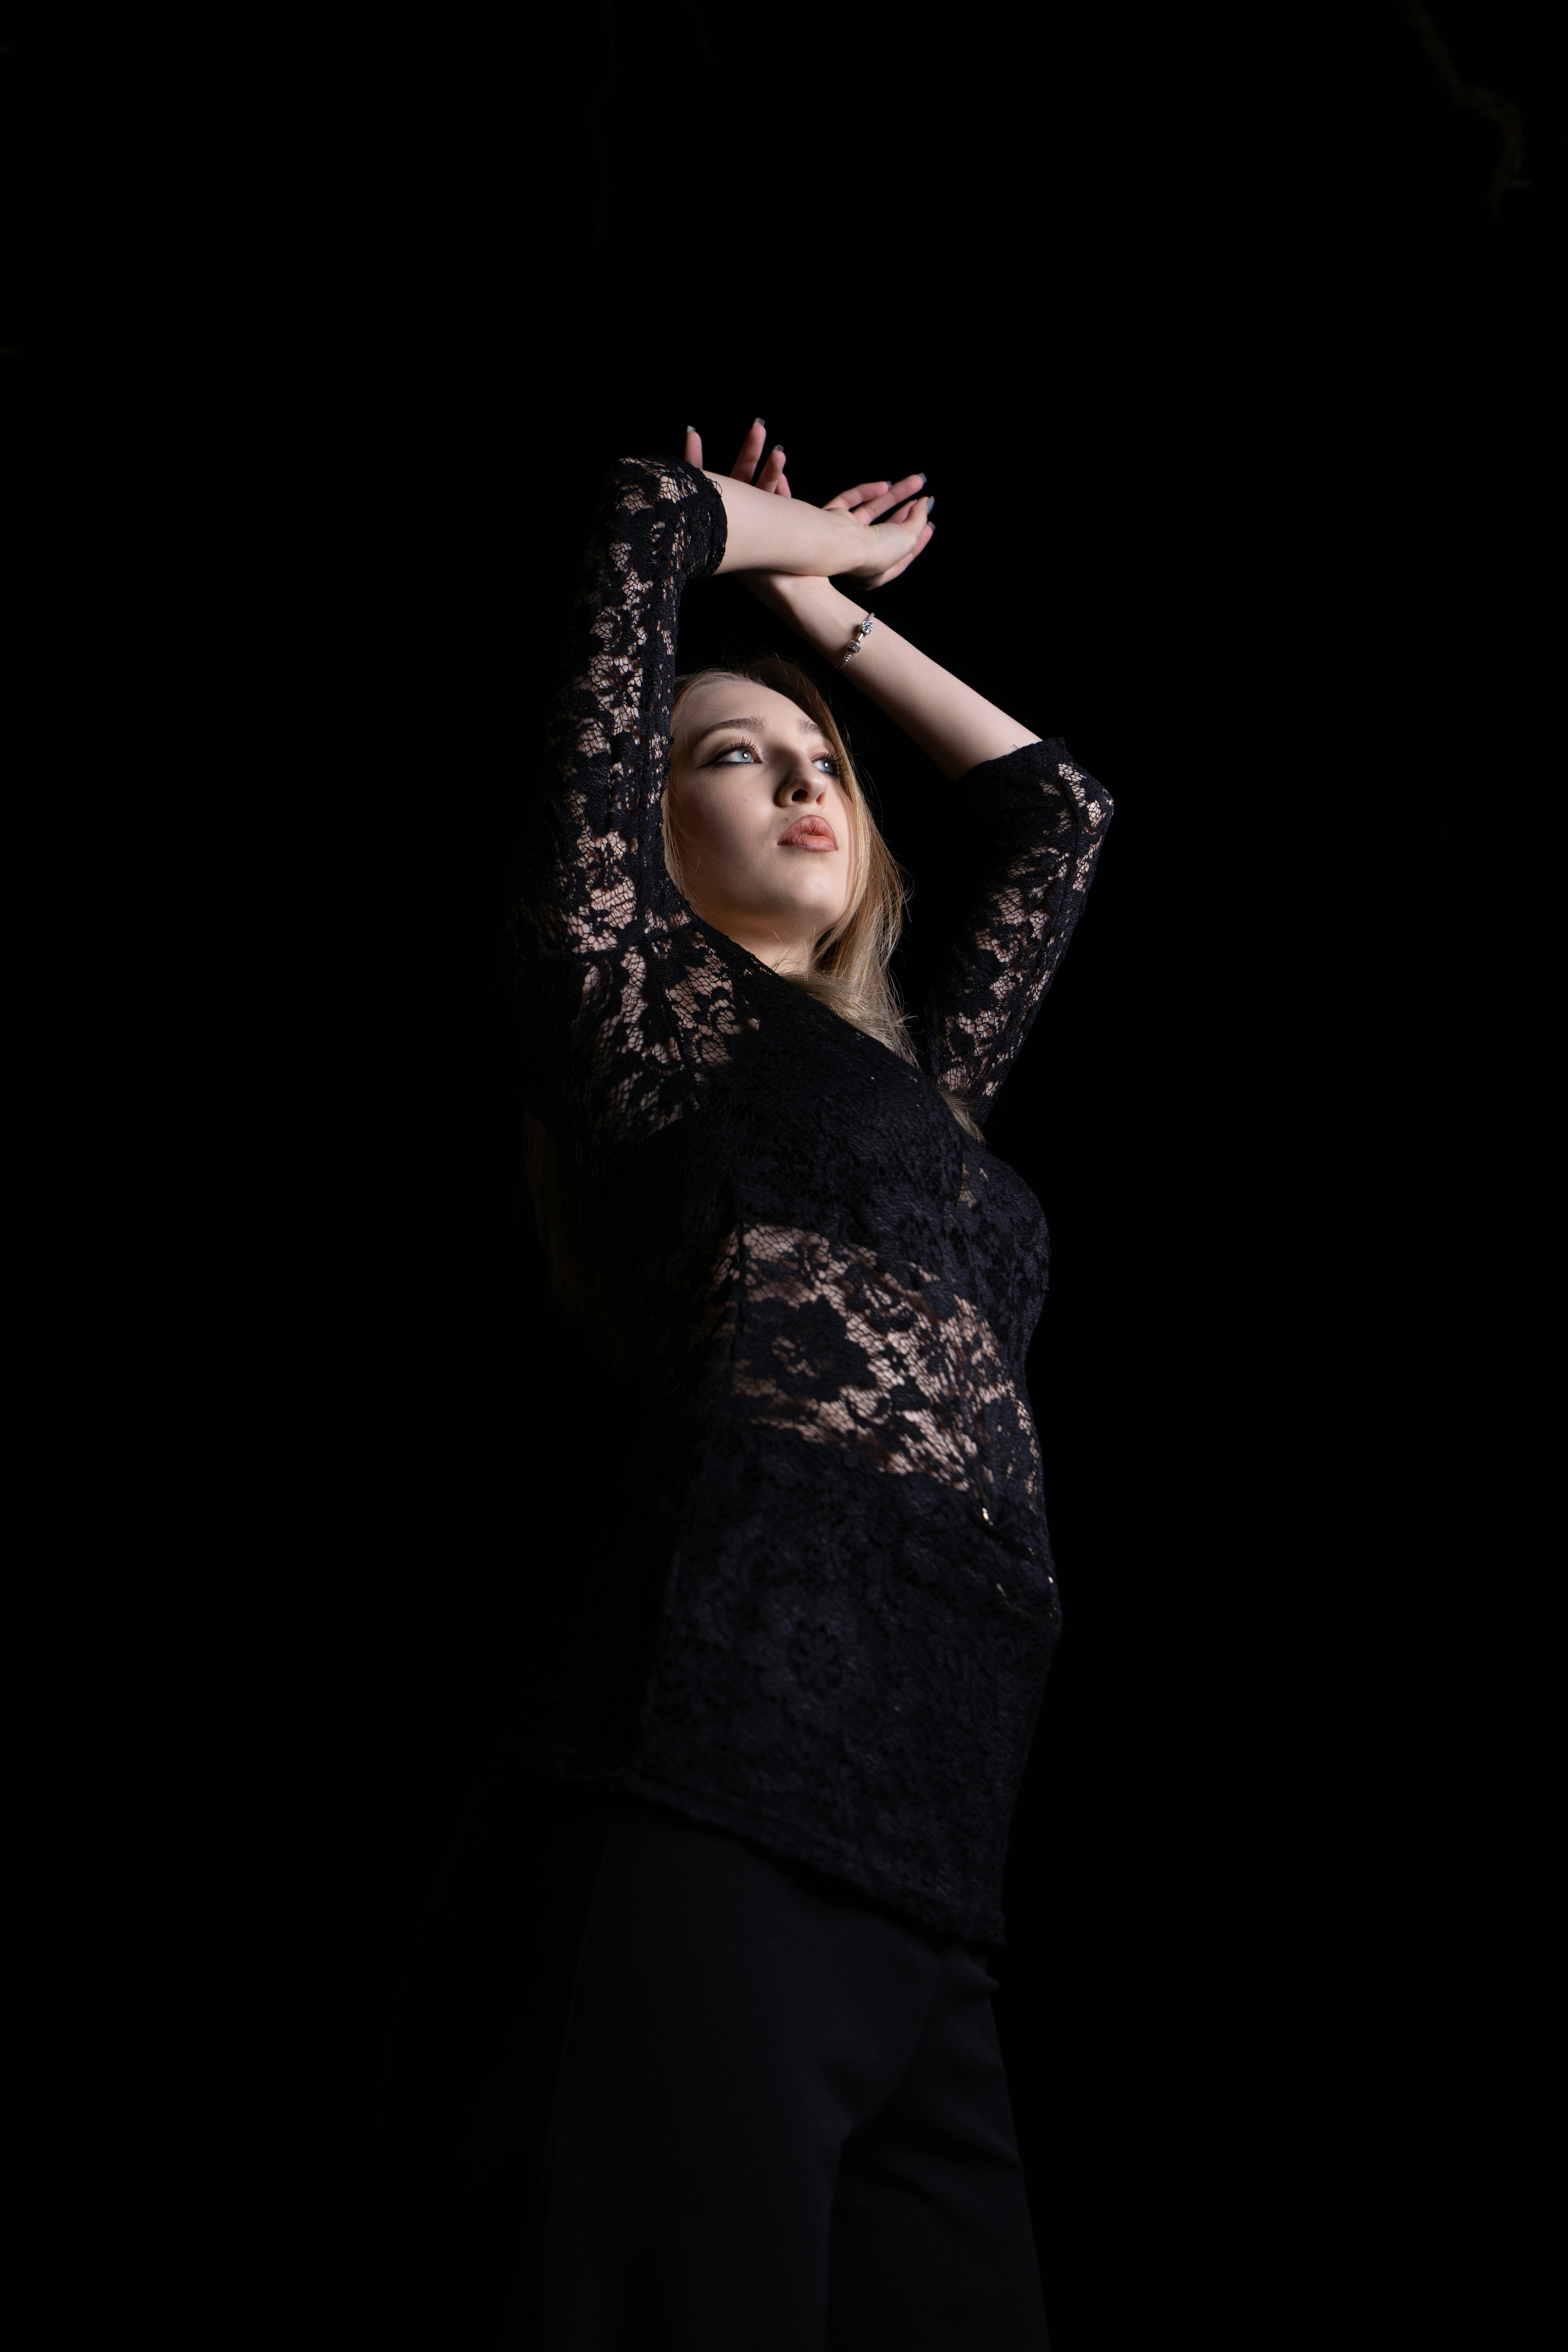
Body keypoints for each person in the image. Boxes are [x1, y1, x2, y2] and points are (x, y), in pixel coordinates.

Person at [509, 419, 1113, 2349]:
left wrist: (816, 621)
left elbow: (1059, 810)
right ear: (647, 830)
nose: (797, 777)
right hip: (726, 1773)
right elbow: (635, 507)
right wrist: (746, 548)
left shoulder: (923, 1084)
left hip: (944, 1854)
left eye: (821, 760)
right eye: (726, 752)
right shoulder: (646, 1012)